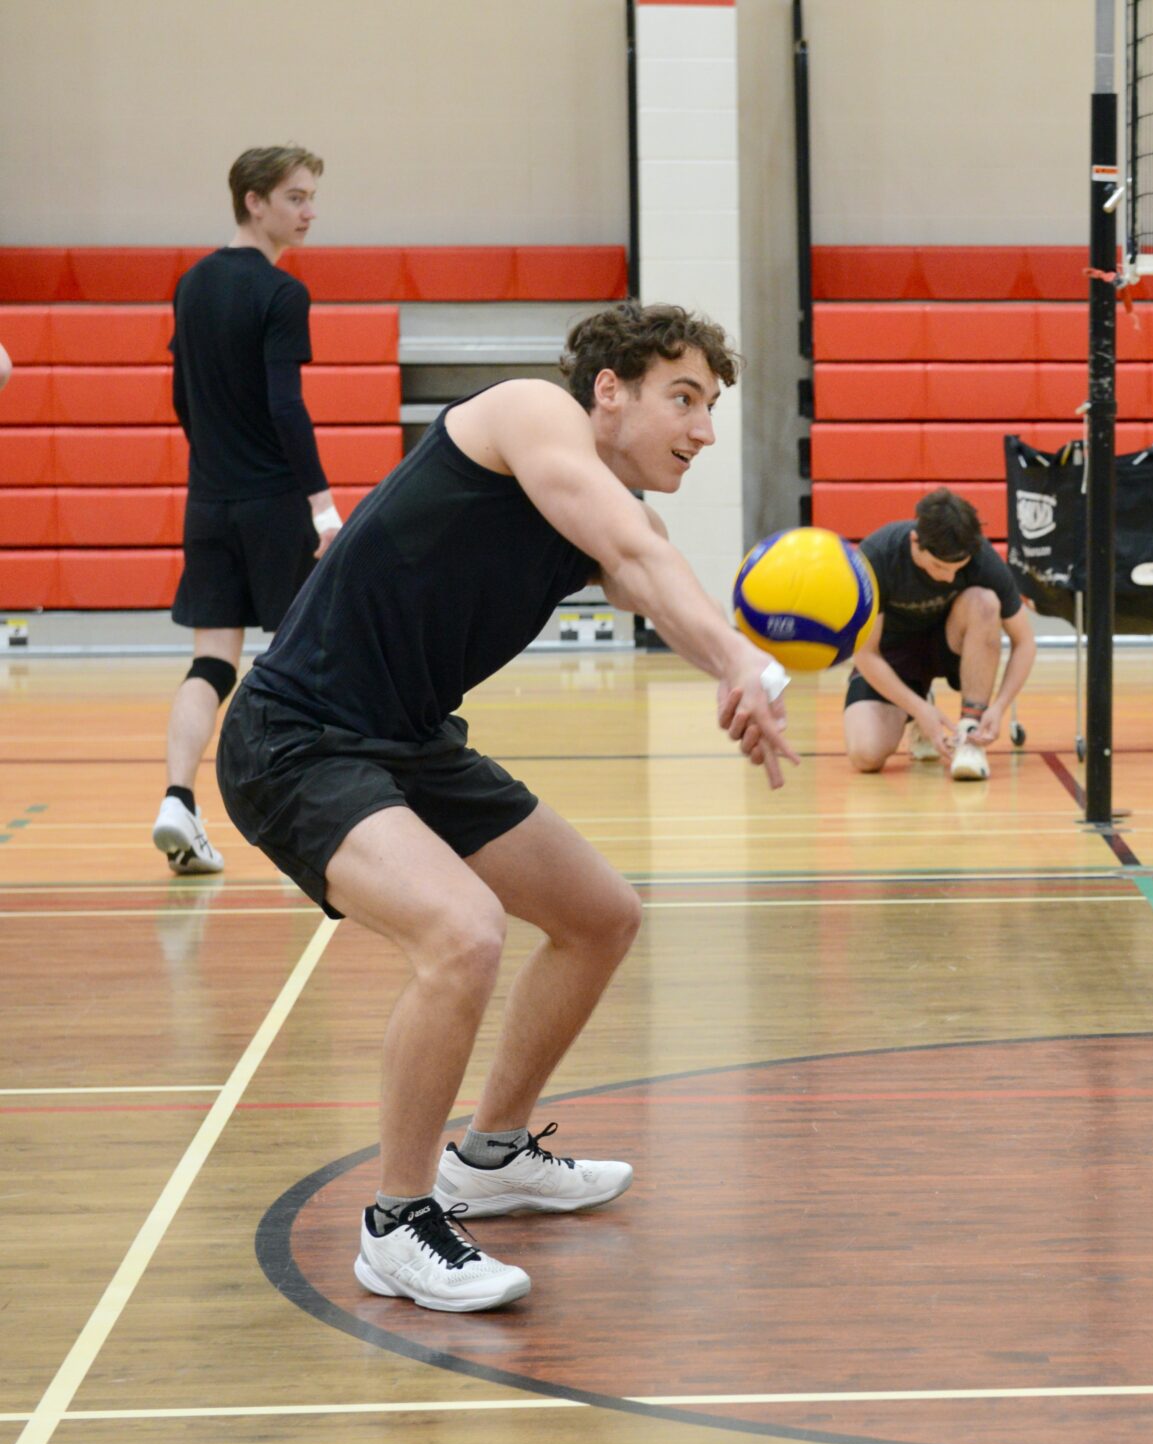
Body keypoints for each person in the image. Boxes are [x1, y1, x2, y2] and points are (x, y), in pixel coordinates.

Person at [215, 302, 796, 1310]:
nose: (703, 429)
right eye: (684, 398)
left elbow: (652, 580)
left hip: (408, 742)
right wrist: (742, 660)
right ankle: (397, 1224)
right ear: (608, 390)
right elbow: (639, 552)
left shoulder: (609, 518)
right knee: (462, 933)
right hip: (297, 736)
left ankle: (491, 1156)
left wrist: (732, 671)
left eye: (711, 408)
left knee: (599, 915)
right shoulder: (530, 413)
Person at [153, 145, 340, 875]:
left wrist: (214, 462)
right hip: (271, 505)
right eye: (296, 197)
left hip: (209, 502)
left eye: (311, 196)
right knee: (303, 662)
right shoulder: (280, 293)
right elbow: (285, 407)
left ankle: (178, 800)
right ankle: (310, 815)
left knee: (211, 661)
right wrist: (323, 508)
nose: (309, 210)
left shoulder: (192, 283)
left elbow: (179, 396)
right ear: (254, 202)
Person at [842, 487, 1036, 781]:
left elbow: (1025, 643)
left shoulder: (981, 557)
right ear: (915, 541)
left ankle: (970, 733)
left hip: (950, 646)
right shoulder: (877, 556)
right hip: (893, 654)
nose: (949, 577)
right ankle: (921, 701)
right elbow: (865, 654)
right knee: (866, 755)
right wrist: (920, 710)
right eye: (939, 567)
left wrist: (998, 707)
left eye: (958, 569)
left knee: (985, 602)